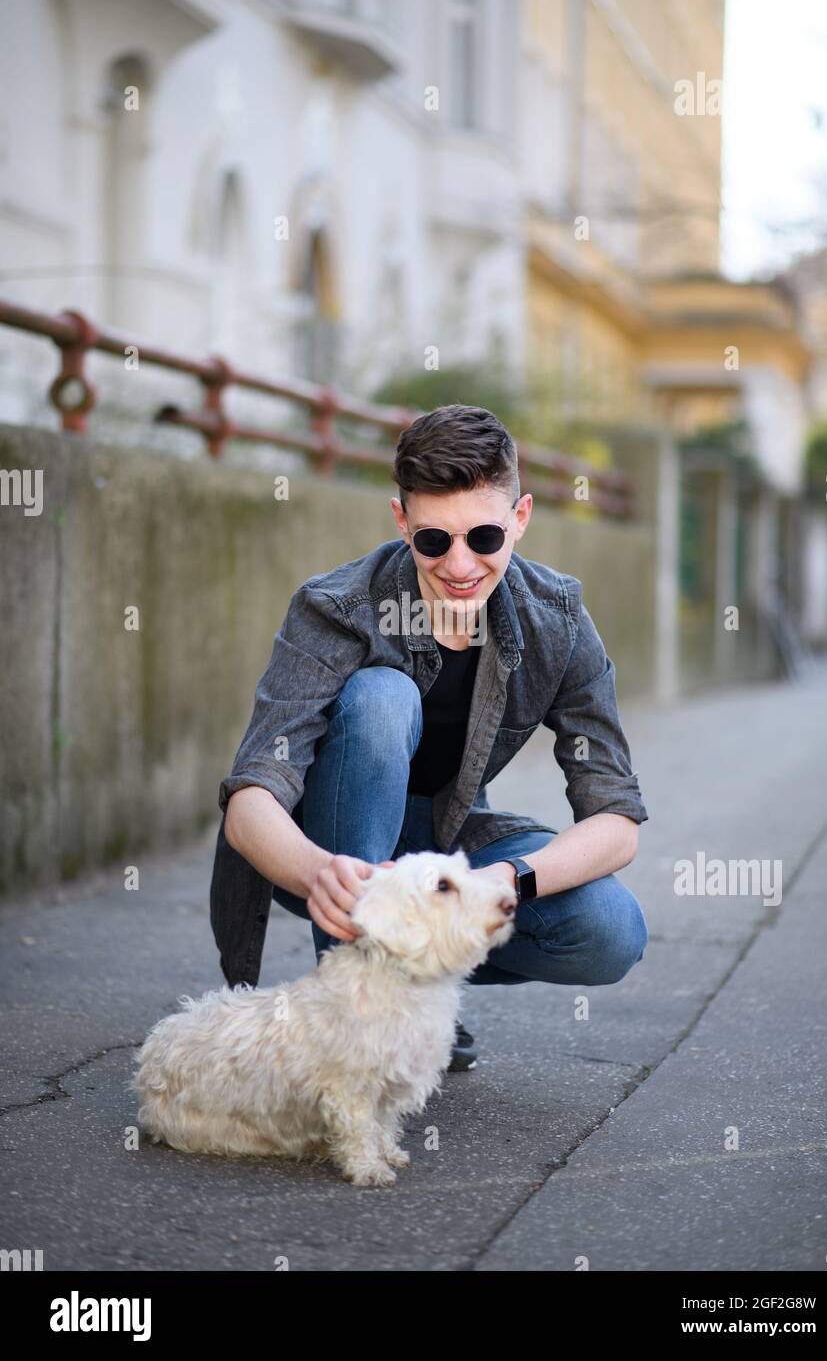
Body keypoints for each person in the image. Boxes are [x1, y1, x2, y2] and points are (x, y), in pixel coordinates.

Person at [211, 404, 649, 1071]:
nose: (461, 565)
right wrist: (315, 870)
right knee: (384, 696)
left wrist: (507, 881)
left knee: (611, 932)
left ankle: (416, 989)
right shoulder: (339, 607)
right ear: (401, 522)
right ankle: (356, 1017)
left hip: (448, 846)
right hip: (325, 845)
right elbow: (250, 801)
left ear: (520, 519)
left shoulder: (554, 618)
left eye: (484, 537)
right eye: (434, 541)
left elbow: (616, 820)